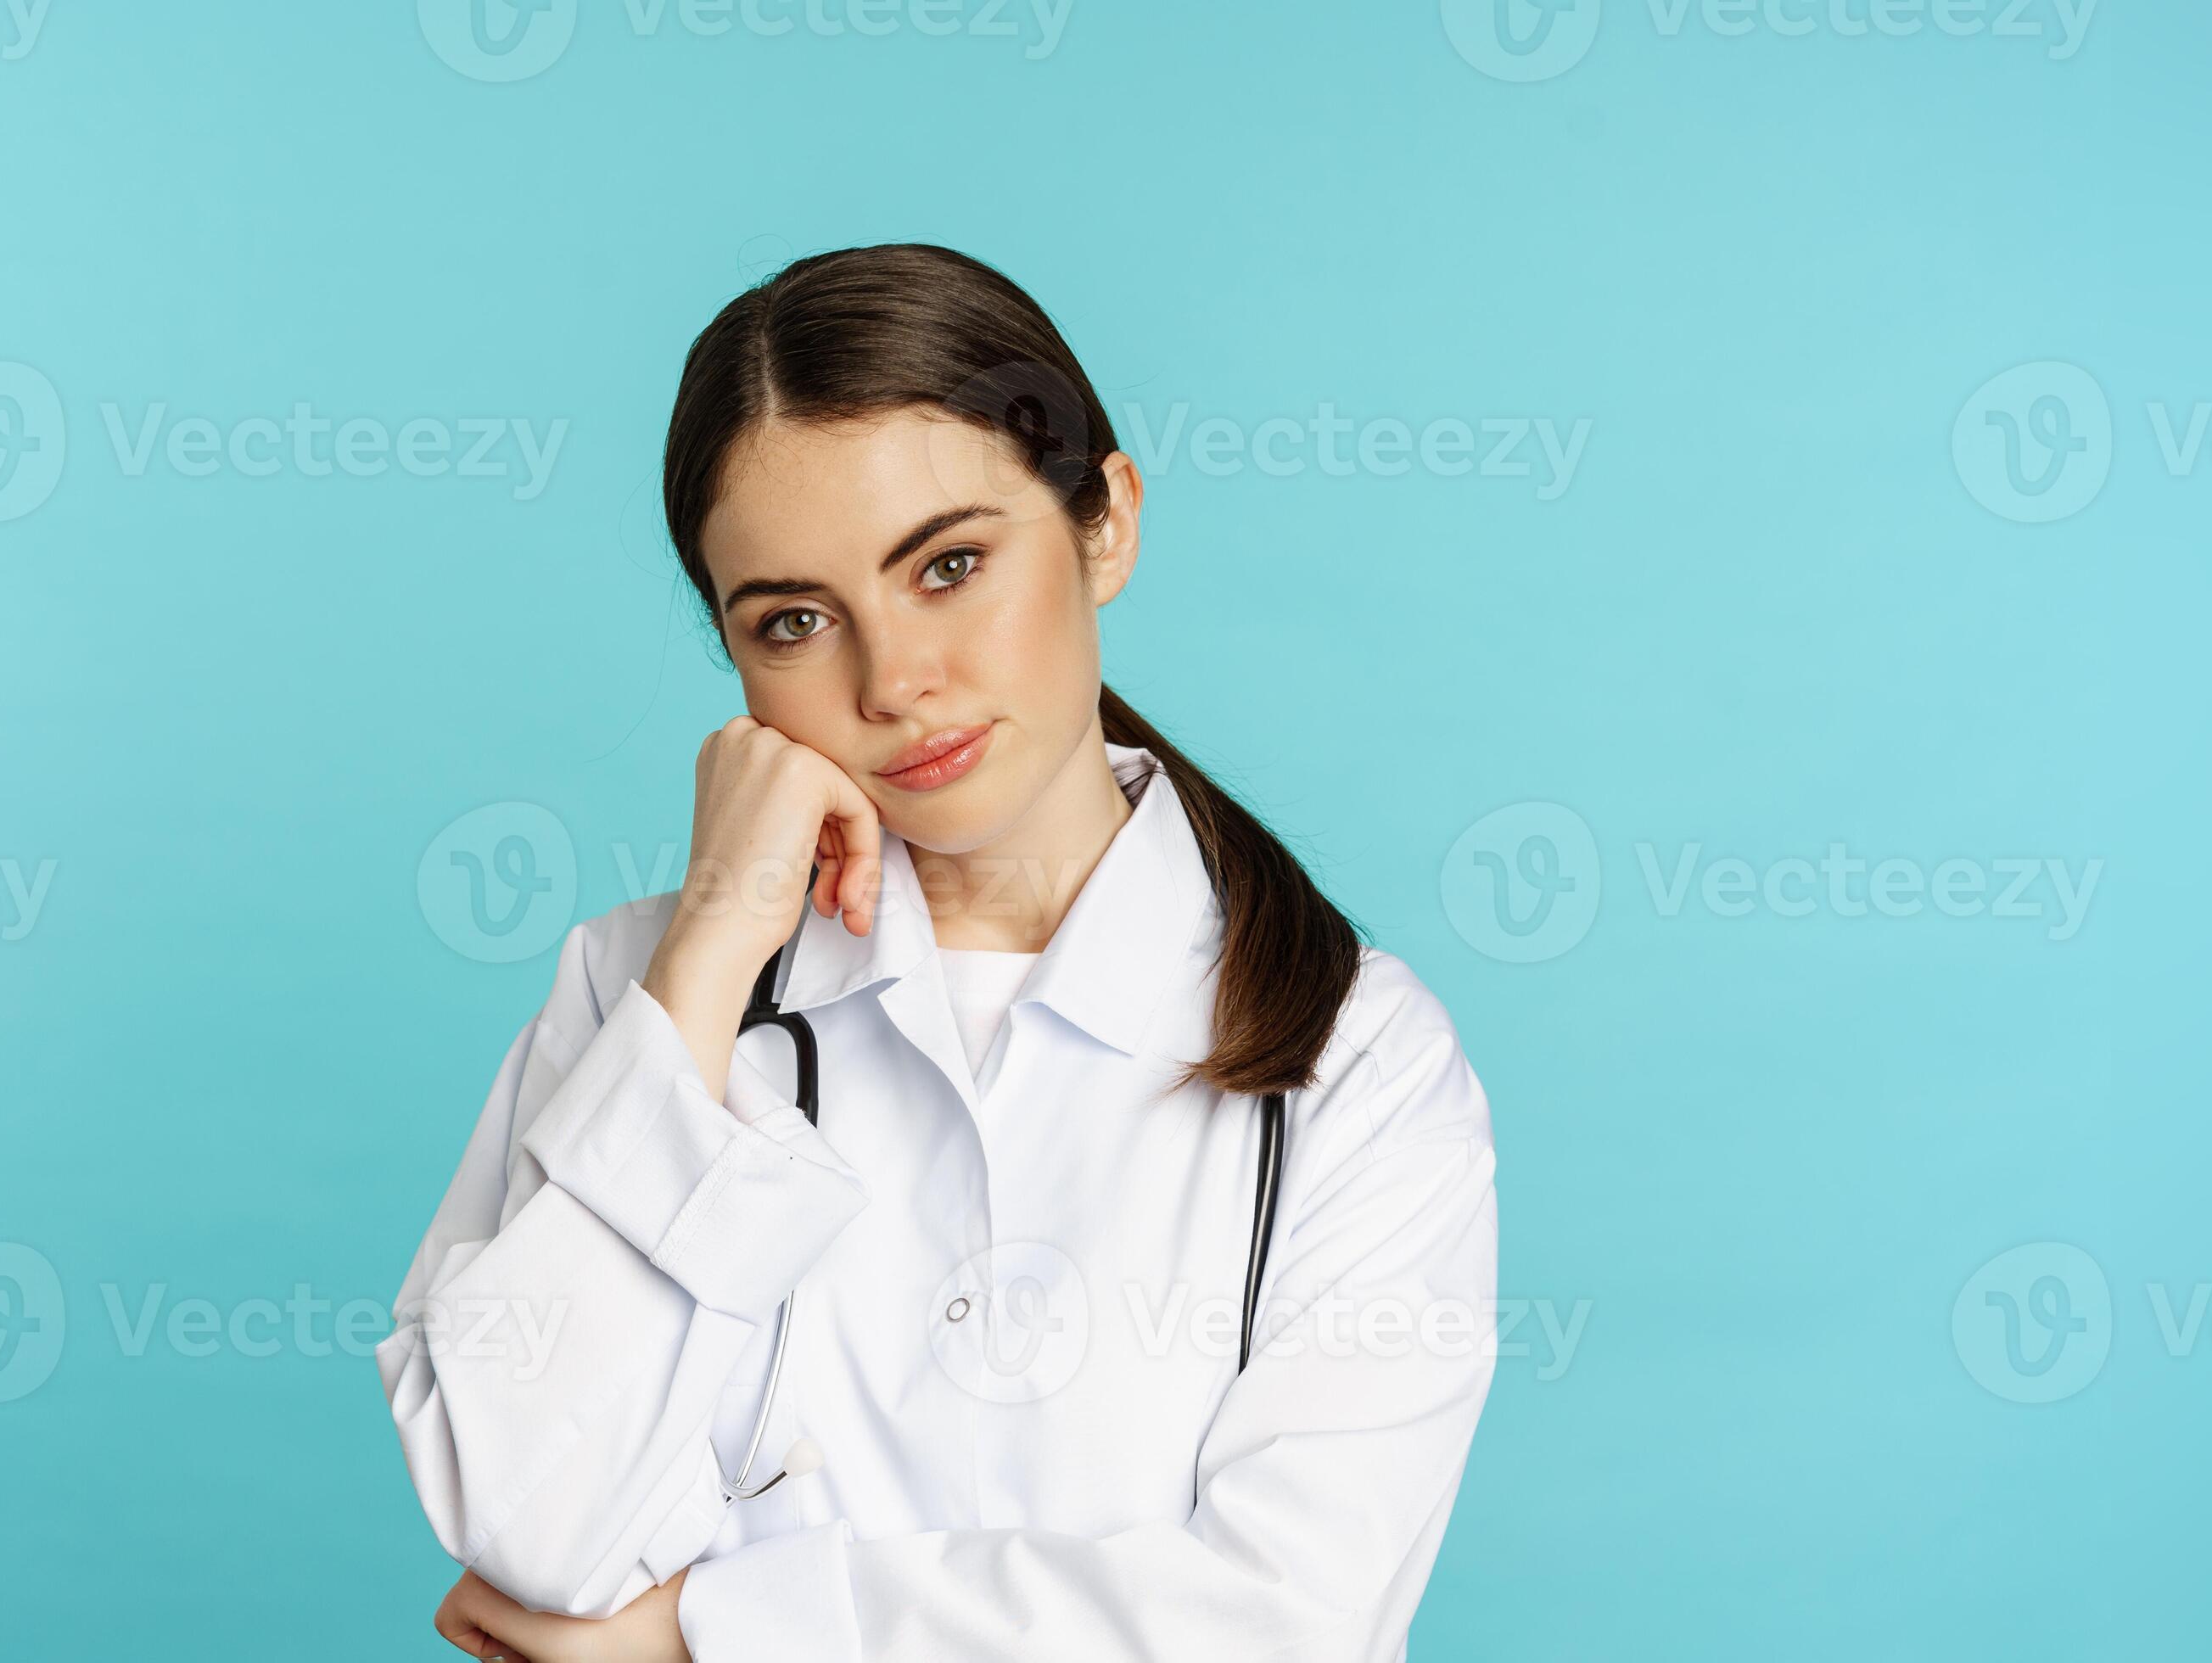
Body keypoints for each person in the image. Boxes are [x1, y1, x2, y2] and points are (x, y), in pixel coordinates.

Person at [379, 244, 1501, 1662]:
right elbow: (524, 1521)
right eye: (795, 621)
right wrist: (712, 944)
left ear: (1107, 524)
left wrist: (705, 1635)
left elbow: (1287, 1628)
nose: (893, 683)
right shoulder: (641, 994)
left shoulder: (1361, 1059)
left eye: (950, 566)